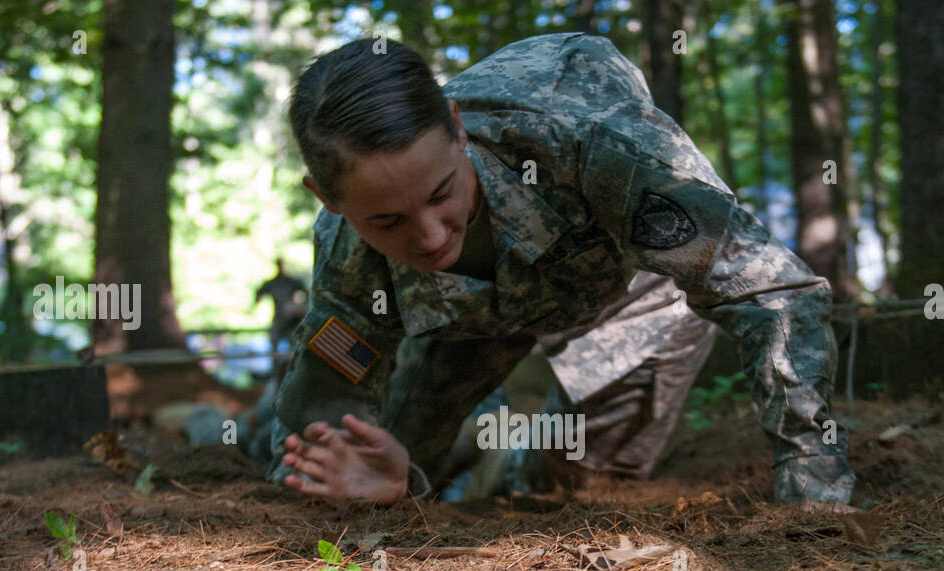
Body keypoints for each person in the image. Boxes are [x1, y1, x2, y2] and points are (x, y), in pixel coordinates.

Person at [268, 33, 856, 509]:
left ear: (458, 127)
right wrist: (362, 479)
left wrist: (811, 473)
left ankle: (499, 449)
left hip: (628, 290)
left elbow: (773, 289)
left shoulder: (595, 142)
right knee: (387, 461)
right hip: (473, 319)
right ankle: (466, 446)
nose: (429, 236)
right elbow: (328, 397)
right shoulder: (345, 244)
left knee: (570, 482)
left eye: (442, 193)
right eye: (388, 221)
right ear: (326, 198)